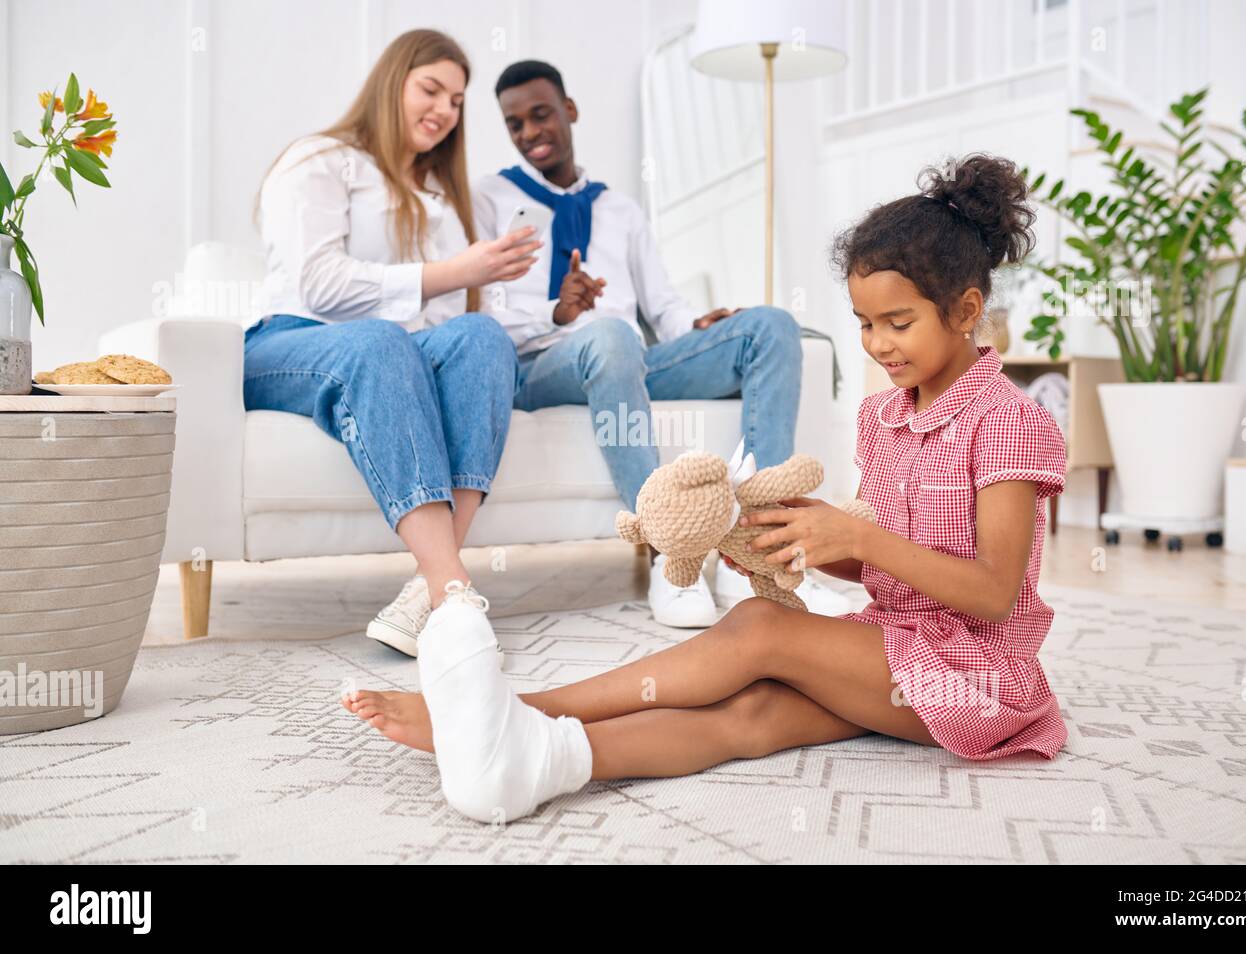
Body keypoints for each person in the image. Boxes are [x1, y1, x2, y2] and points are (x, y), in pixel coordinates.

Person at [341, 153, 1071, 825]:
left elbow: (992, 593)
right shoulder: (884, 416)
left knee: (760, 628)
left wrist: (857, 535)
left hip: (976, 680)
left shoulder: (1007, 421)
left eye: (898, 323)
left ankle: (512, 709)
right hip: (896, 649)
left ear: (966, 311)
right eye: (863, 324)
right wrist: (800, 542)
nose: (878, 344)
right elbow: (892, 570)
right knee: (750, 713)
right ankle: (533, 759)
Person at [470, 59, 853, 627]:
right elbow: (480, 314)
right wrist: (557, 310)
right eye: (514, 124)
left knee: (770, 325)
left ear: (569, 110)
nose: (530, 132)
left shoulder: (620, 209)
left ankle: (757, 552)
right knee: (609, 334)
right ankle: (671, 556)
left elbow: (663, 306)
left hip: (628, 360)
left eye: (541, 114)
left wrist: (700, 325)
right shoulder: (489, 198)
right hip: (544, 364)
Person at [245, 29, 541, 661]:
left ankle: (431, 588)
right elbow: (319, 285)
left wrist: (536, 307)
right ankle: (452, 585)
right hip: (289, 341)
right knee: (382, 342)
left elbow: (442, 323)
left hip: (392, 353)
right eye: (431, 89)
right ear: (391, 82)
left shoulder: (439, 198)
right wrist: (458, 271)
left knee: (481, 336)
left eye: (457, 101)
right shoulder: (320, 159)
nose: (444, 110)